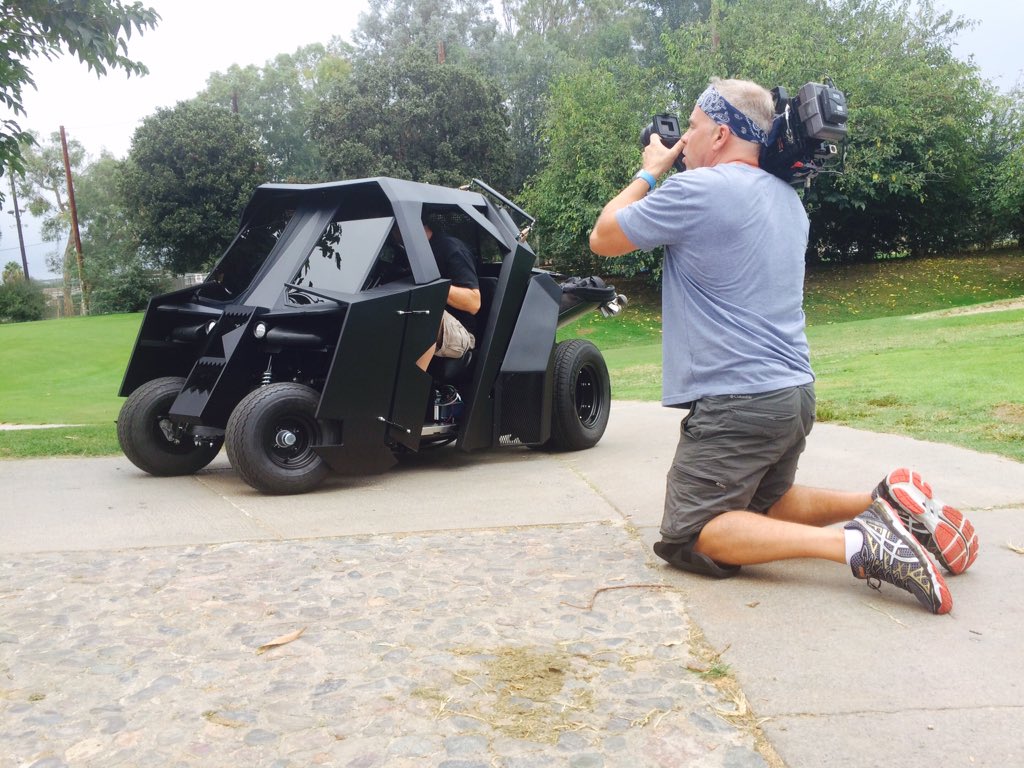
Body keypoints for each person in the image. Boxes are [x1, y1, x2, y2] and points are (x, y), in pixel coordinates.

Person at [588, 78, 978, 615]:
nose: (684, 142)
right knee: (763, 505)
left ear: (721, 133)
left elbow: (603, 236)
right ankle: (885, 503)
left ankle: (860, 544)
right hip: (792, 395)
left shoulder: (699, 191)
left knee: (691, 534)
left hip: (737, 401)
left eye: (694, 129)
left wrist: (649, 170)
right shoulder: (788, 202)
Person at [415, 221, 481, 372]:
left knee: (420, 311)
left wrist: (431, 286)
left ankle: (410, 389)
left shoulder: (450, 247)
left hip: (462, 333)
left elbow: (474, 303)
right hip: (435, 324)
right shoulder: (409, 253)